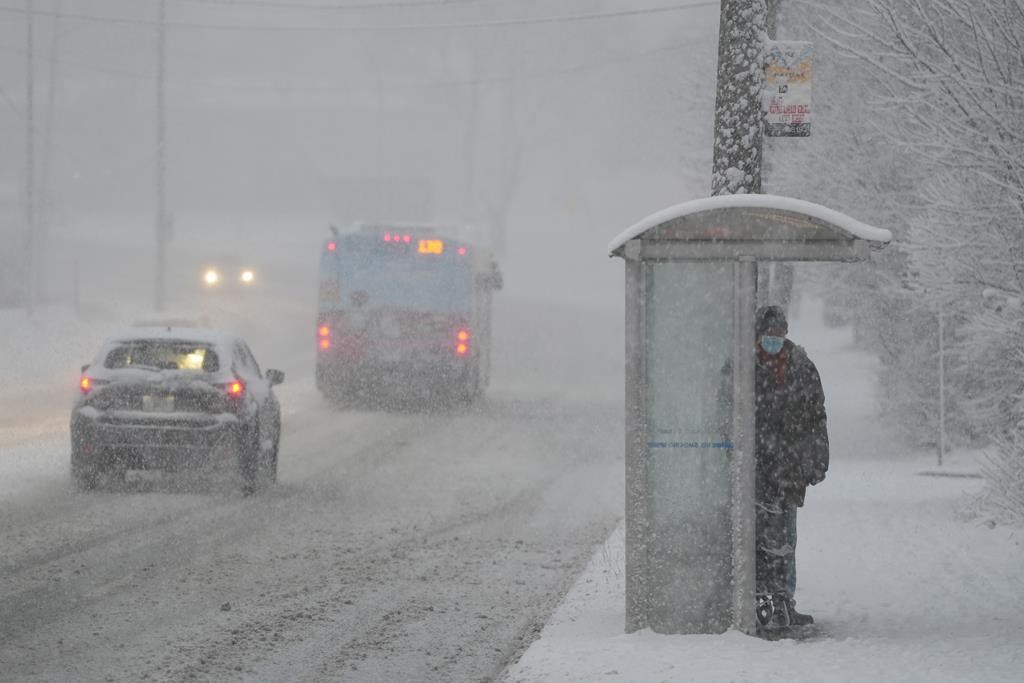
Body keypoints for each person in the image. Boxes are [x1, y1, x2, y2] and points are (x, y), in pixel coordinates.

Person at [753, 305, 829, 628]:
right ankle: (762, 600)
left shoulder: (801, 367)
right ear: (759, 335)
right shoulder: (746, 368)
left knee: (785, 537)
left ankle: (784, 599)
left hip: (789, 469)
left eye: (778, 333)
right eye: (769, 334)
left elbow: (816, 416)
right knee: (758, 537)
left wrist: (817, 460)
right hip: (757, 470)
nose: (774, 339)